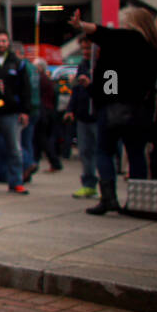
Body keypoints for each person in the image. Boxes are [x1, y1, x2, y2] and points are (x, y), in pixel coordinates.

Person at [67, 8, 157, 214]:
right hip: (140, 110)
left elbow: (102, 34)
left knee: (104, 151)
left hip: (112, 107)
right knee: (136, 153)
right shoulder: (153, 48)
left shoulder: (125, 41)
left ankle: (109, 198)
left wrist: (81, 25)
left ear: (133, 23)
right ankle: (138, 200)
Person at [0, 27, 31, 194]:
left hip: (11, 112)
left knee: (15, 149)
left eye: (3, 41)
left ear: (8, 43)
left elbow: (26, 89)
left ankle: (16, 181)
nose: (0, 44)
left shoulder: (17, 62)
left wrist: (25, 111)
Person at [65, 36, 99, 200]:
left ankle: (106, 186)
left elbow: (111, 91)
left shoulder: (107, 66)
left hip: (99, 116)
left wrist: (91, 85)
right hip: (83, 115)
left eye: (89, 48)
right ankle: (88, 184)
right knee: (85, 151)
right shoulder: (82, 65)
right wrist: (70, 109)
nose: (86, 52)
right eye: (84, 49)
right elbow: (77, 91)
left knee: (102, 152)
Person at [32, 58, 64, 173]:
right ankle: (34, 162)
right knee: (40, 139)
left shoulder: (40, 79)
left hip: (43, 112)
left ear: (40, 67)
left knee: (41, 138)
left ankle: (53, 162)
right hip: (48, 111)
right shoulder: (47, 79)